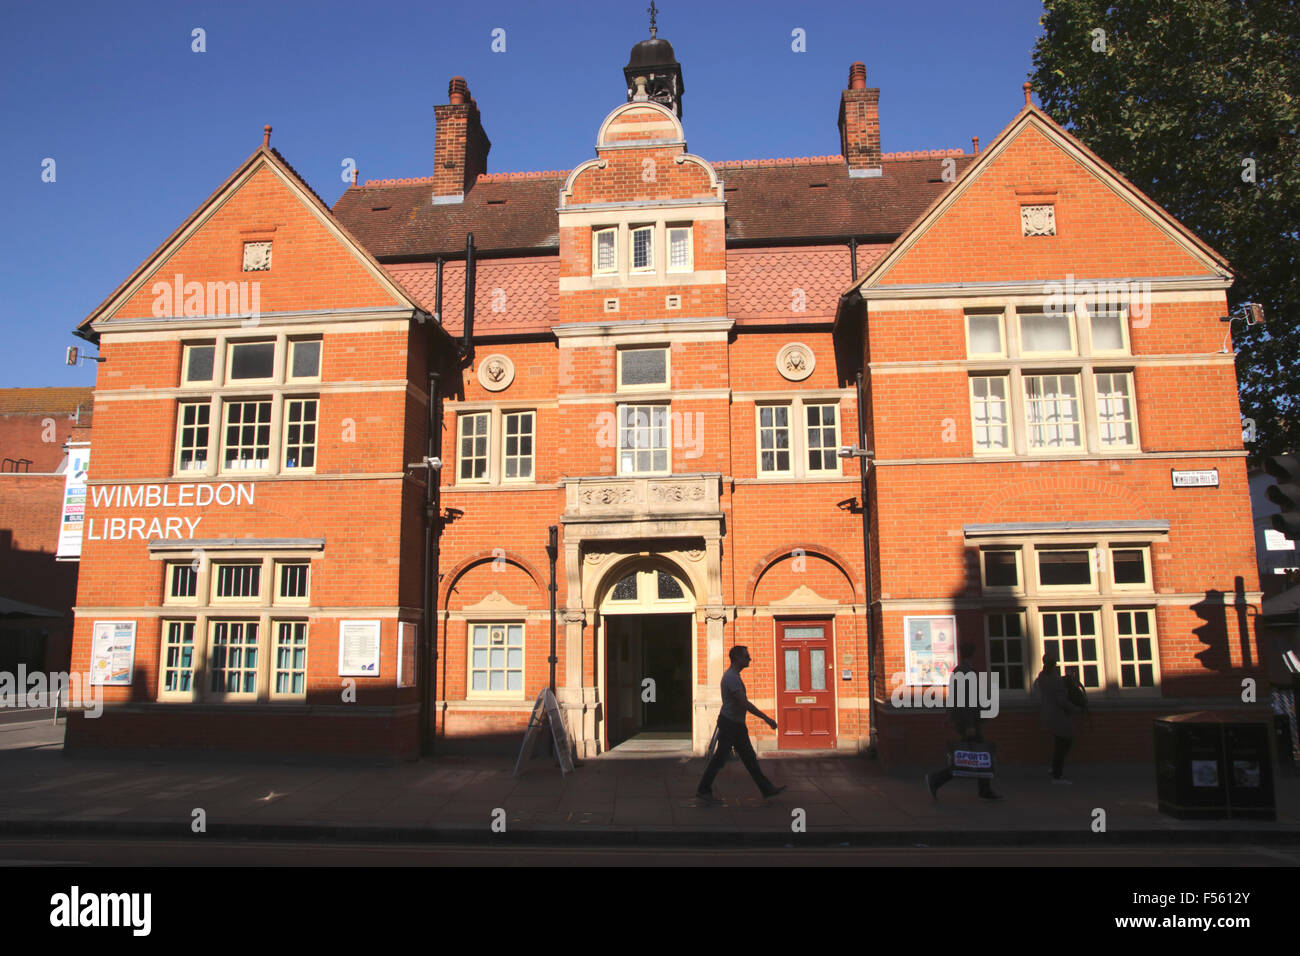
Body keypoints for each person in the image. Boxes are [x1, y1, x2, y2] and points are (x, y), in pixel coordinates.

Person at [696, 645, 787, 803]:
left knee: (748, 758)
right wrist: (766, 718)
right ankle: (703, 790)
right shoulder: (731, 678)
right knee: (721, 758)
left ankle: (766, 789)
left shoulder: (734, 676)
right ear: (737, 659)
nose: (749, 659)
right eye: (746, 656)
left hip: (735, 724)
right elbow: (744, 703)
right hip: (730, 725)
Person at [925, 643, 1002, 800]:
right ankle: (936, 779)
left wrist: (949, 716)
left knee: (970, 755)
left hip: (965, 722)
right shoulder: (966, 672)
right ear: (973, 655)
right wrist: (970, 725)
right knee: (979, 754)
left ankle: (984, 789)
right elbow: (966, 701)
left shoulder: (958, 671)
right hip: (968, 722)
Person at [1033, 647, 1080, 783]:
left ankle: (1055, 769)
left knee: (1059, 742)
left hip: (1047, 714)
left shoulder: (1041, 677)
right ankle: (1057, 773)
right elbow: (1061, 700)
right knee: (1065, 741)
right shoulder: (1055, 679)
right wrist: (1074, 708)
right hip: (1058, 715)